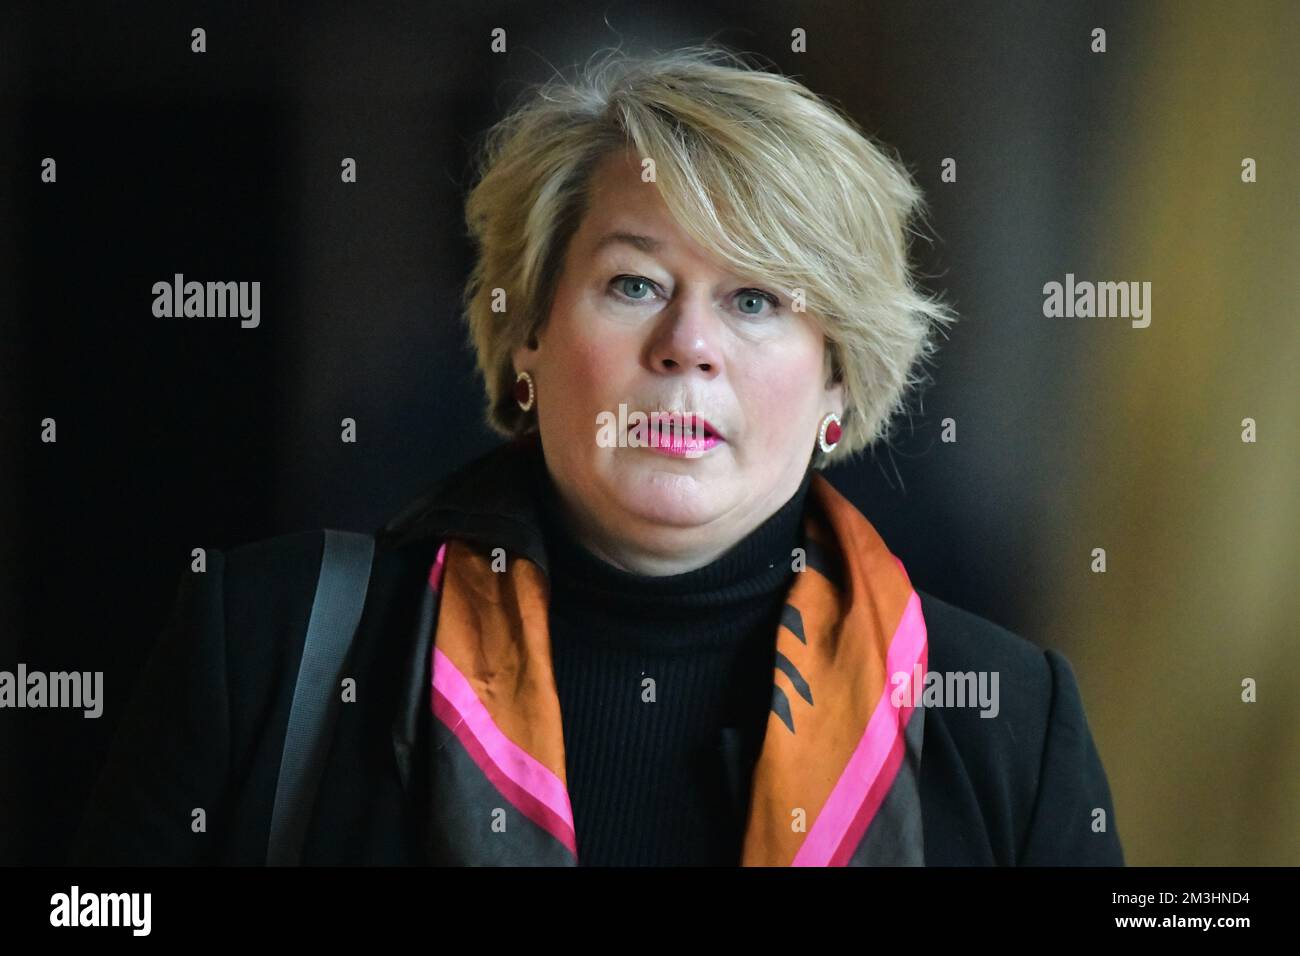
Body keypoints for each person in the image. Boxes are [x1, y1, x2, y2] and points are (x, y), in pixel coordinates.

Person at [75, 45, 1123, 866]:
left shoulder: (1005, 720)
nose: (688, 344)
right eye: (632, 282)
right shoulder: (272, 641)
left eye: (755, 300)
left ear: (838, 385)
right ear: (528, 331)